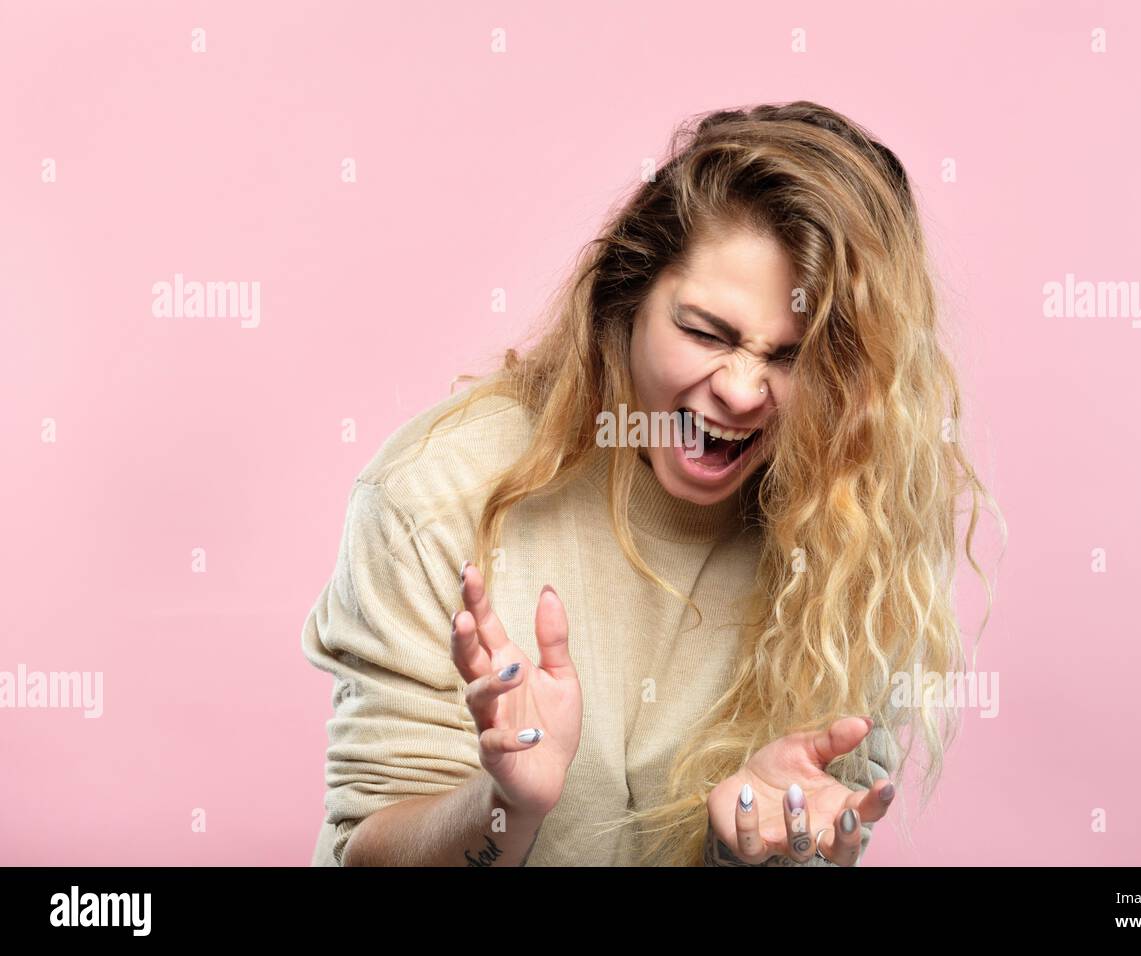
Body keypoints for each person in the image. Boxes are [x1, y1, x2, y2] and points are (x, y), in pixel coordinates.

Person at [301, 100, 1002, 867]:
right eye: (704, 332)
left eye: (793, 358)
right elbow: (364, 849)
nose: (741, 391)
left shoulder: (859, 538)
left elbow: (809, 830)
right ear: (626, 298)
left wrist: (742, 856)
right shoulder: (432, 492)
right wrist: (505, 806)